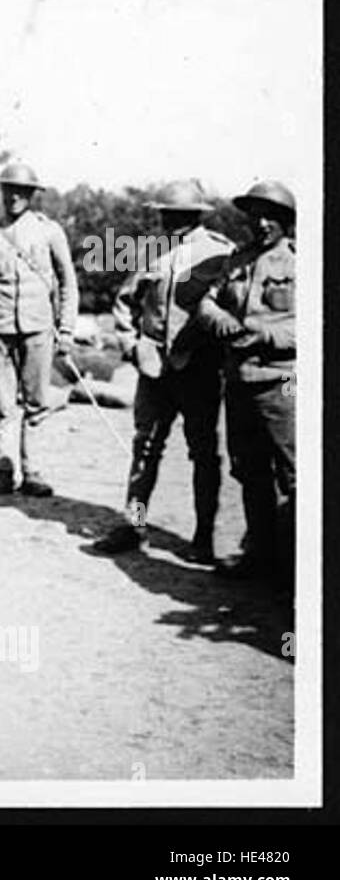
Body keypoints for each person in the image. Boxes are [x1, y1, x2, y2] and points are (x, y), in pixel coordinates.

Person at [92, 180, 234, 561]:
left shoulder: (220, 253)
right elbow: (123, 302)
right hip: (153, 369)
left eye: (176, 215)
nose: (168, 221)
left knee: (203, 454)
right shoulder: (150, 252)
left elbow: (232, 309)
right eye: (164, 215)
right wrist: (131, 345)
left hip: (198, 370)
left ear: (195, 215)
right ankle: (134, 525)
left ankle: (205, 535)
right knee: (144, 450)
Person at [196, 180, 296, 592]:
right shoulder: (236, 261)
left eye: (270, 215)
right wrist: (220, 321)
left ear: (287, 222)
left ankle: (297, 570)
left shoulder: (299, 265)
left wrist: (262, 335)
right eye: (255, 214)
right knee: (249, 471)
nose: (261, 222)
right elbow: (206, 301)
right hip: (239, 382)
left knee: (294, 475)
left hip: (283, 384)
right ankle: (260, 554)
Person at [0, 163, 79, 496]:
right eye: (9, 189)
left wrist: (67, 329)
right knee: (3, 404)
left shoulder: (49, 232)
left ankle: (33, 472)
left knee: (37, 403)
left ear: (32, 195)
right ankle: (4, 472)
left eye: (22, 191)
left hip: (37, 330)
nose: (14, 197)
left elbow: (68, 283)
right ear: (1, 192)